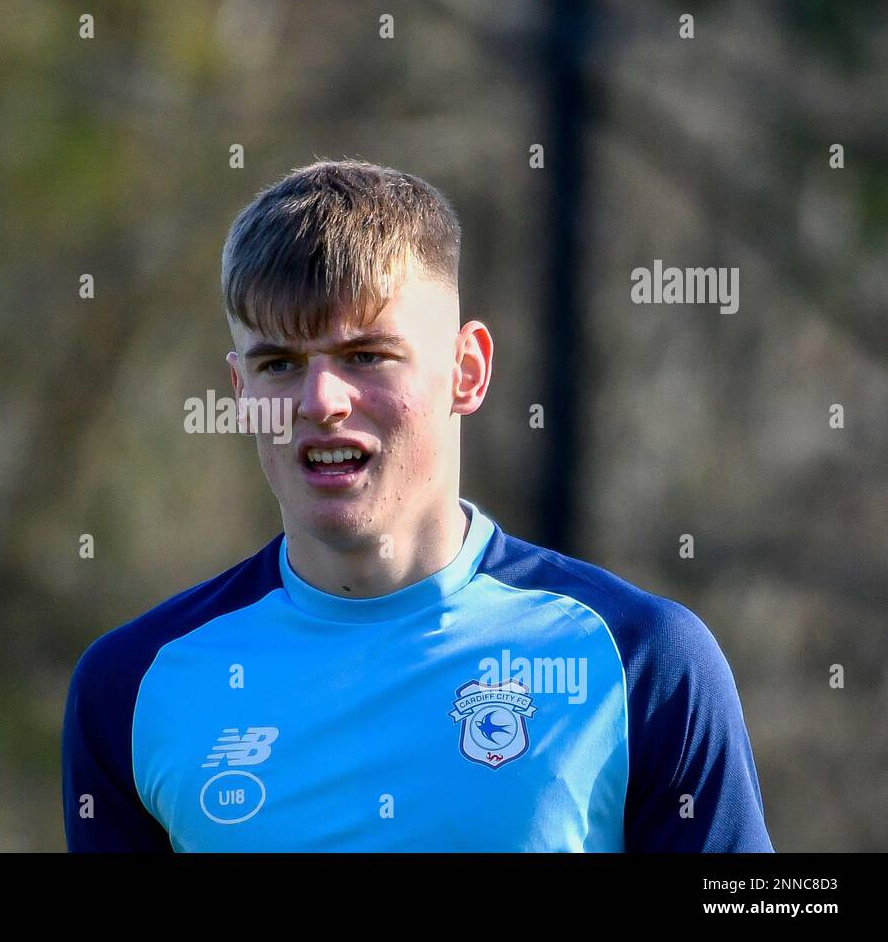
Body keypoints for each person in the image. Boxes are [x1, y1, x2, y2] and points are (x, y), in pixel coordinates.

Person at [61, 159, 773, 852]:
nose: (321, 403)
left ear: (467, 371)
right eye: (279, 365)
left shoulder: (642, 662)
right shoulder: (133, 688)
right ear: (240, 392)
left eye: (366, 356)